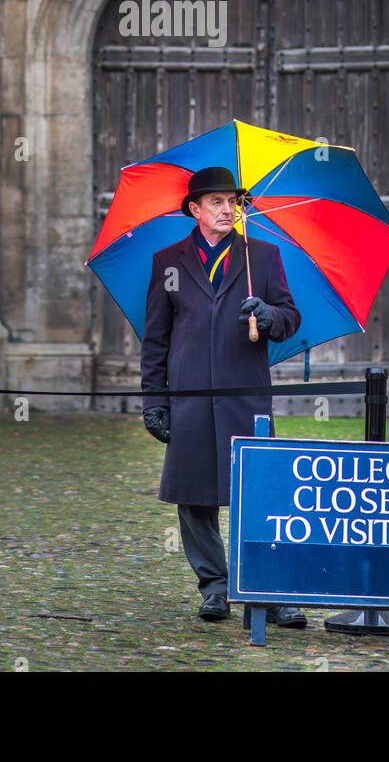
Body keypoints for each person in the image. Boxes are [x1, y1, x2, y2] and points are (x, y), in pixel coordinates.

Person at [139, 165, 306, 626]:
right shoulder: (167, 263)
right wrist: (155, 400)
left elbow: (291, 319)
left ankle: (268, 591)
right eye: (216, 202)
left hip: (244, 400)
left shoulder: (264, 258)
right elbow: (156, 338)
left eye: (233, 201)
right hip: (189, 400)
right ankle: (214, 587)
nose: (227, 209)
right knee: (195, 498)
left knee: (259, 496)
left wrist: (268, 315)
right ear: (194, 209)